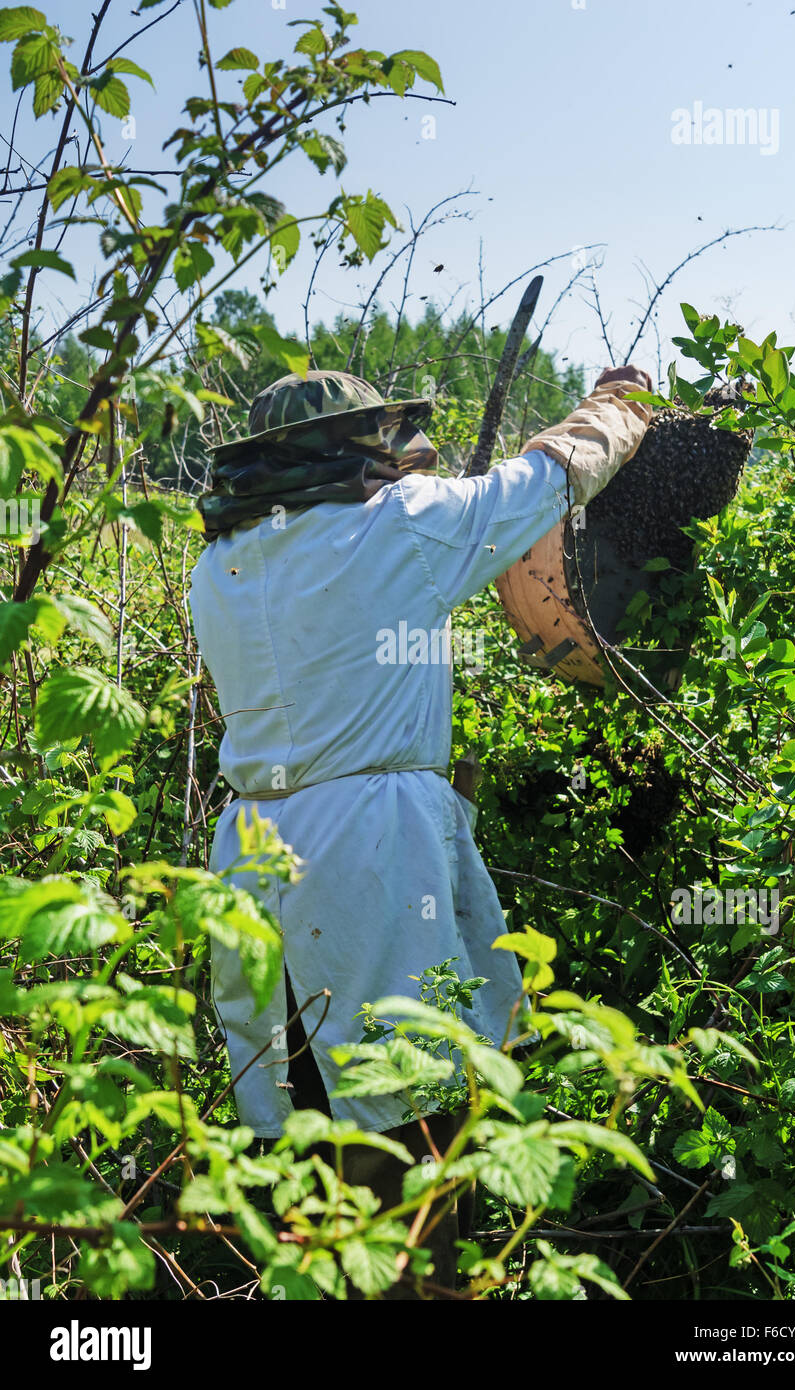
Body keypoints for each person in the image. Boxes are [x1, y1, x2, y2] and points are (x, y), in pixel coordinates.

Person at [188, 361, 652, 1296]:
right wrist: (615, 407)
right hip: (368, 856)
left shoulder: (218, 570)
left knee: (298, 1115)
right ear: (354, 453)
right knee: (407, 1123)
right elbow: (552, 476)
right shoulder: (399, 527)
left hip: (248, 855)